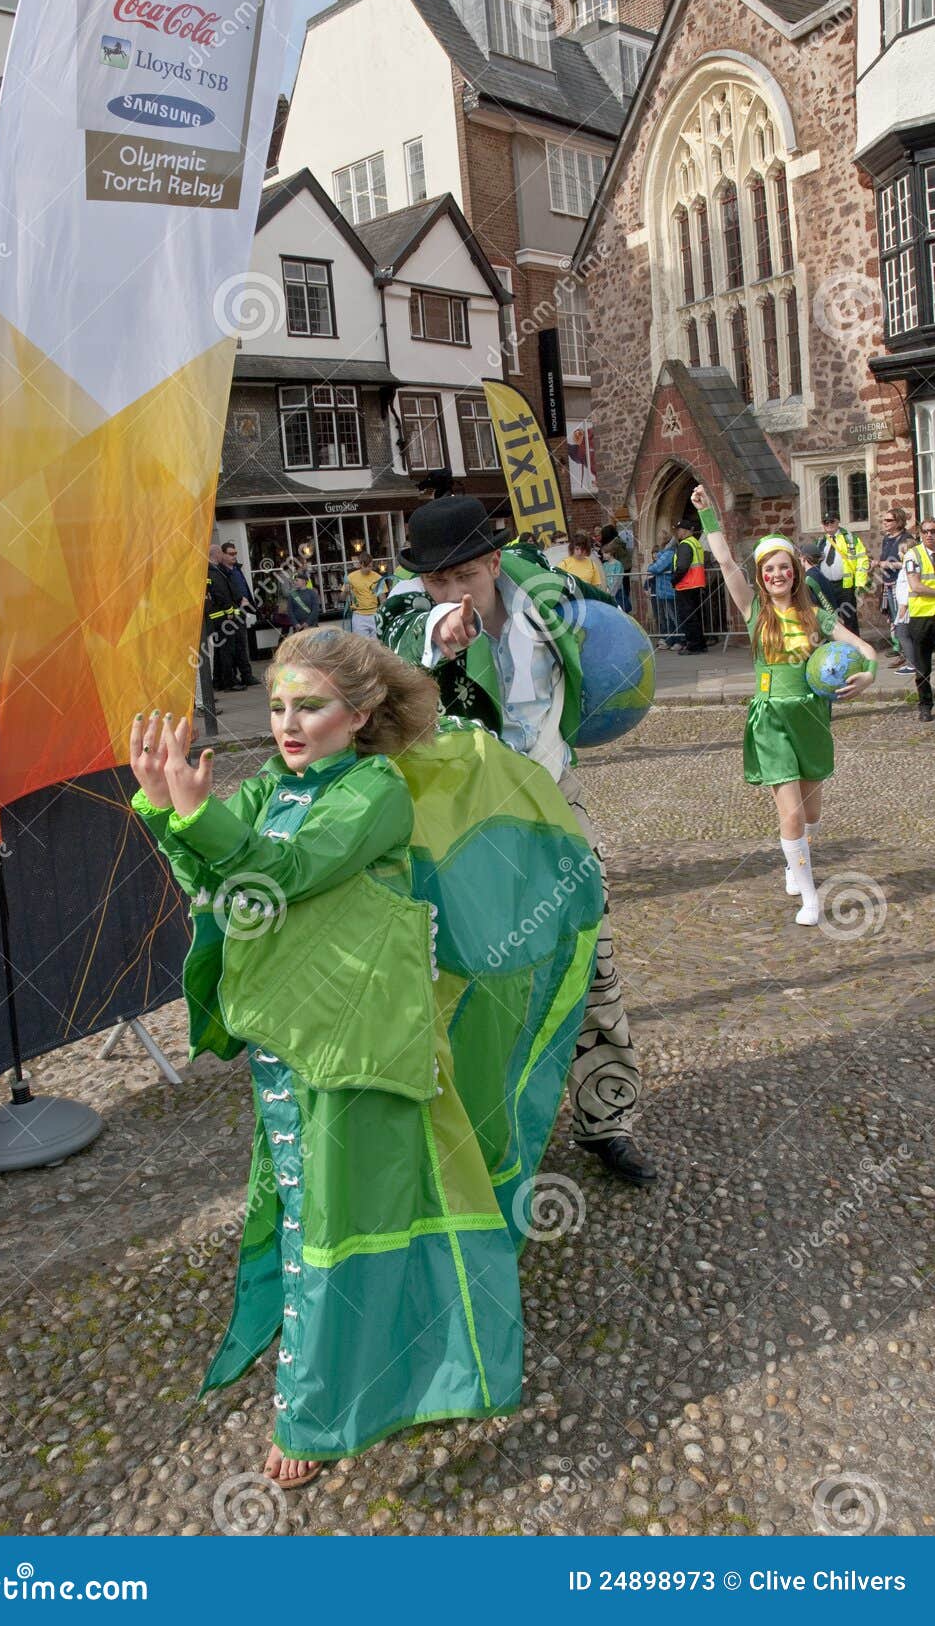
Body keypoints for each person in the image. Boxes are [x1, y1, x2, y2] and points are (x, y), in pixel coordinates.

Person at [129, 629, 605, 1486]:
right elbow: (222, 886)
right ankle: (371, 1372)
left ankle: (314, 1419)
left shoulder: (375, 791)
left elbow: (285, 869)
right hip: (291, 1042)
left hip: (358, 1043)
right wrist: (166, 808)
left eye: (308, 706)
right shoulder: (279, 786)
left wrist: (200, 817)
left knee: (338, 1231)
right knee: (328, 1219)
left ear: (359, 713)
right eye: (277, 705)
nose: (287, 722)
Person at [379, 494, 658, 1186]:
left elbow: (596, 627)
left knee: (591, 959)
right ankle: (487, 1136)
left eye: (461, 577)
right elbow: (398, 642)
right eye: (434, 580)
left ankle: (607, 1119)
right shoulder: (408, 613)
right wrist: (442, 629)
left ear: (493, 561)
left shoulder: (547, 592)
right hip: (463, 823)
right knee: (480, 978)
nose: (447, 590)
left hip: (555, 807)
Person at [696, 486, 878, 923]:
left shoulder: (817, 616)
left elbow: (865, 650)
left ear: (795, 573)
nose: (777, 575)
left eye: (784, 568)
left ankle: (794, 862)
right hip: (771, 717)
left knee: (812, 814)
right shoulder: (754, 609)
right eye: (769, 569)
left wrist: (869, 676)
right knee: (792, 815)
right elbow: (723, 561)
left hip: (812, 716)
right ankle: (811, 897)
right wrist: (707, 516)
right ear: (760, 576)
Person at [903, 518, 935, 723]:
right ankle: (925, 705)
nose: (930, 535)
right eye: (926, 532)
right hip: (921, 617)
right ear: (920, 534)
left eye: (933, 531)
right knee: (923, 666)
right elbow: (916, 586)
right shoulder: (913, 554)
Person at [818, 510, 870, 636]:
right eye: (825, 522)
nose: (828, 524)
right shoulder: (821, 541)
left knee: (849, 618)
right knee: (830, 618)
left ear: (837, 521)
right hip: (827, 586)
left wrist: (860, 584)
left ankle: (854, 647)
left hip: (845, 585)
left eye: (831, 521)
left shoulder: (850, 538)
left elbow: (862, 561)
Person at [218, 541, 260, 685]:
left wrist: (249, 603)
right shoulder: (221, 571)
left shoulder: (236, 569)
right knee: (232, 647)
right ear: (222, 555)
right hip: (231, 613)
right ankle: (232, 677)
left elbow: (243, 587)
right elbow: (224, 593)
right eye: (231, 554)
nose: (234, 556)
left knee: (242, 645)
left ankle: (246, 675)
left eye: (235, 553)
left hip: (242, 610)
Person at [205, 545, 242, 694]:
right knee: (226, 650)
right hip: (222, 617)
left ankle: (219, 681)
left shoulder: (214, 570)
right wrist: (230, 611)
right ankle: (228, 682)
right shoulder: (213, 571)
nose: (222, 555)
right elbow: (220, 593)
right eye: (221, 552)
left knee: (219, 652)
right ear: (216, 554)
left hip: (217, 617)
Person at [878, 506, 914, 656]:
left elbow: (908, 562)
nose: (884, 523)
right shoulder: (887, 538)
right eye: (884, 520)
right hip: (888, 583)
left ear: (898, 522)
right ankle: (897, 647)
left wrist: (888, 564)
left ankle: (907, 652)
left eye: (888, 520)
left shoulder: (907, 539)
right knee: (893, 617)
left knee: (902, 618)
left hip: (902, 583)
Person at [671, 518, 708, 653]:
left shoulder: (685, 545)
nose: (677, 533)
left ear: (685, 531)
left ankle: (693, 646)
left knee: (688, 618)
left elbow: (682, 567)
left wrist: (673, 580)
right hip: (696, 584)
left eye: (679, 530)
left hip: (686, 585)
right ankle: (700, 644)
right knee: (695, 617)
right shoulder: (695, 543)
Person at [644, 534, 682, 649]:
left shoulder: (668, 554)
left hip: (668, 591)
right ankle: (671, 640)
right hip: (665, 592)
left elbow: (655, 568)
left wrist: (652, 568)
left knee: (673, 617)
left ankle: (679, 641)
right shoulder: (666, 554)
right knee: (669, 618)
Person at [340, 553, 382, 639]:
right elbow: (342, 598)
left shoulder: (377, 577)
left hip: (375, 614)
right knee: (362, 645)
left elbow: (383, 598)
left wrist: (383, 614)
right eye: (366, 567)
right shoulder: (351, 577)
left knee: (378, 645)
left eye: (370, 566)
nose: (369, 569)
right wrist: (345, 592)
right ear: (360, 564)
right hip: (359, 615)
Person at [800, 542, 838, 614]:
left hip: (822, 618)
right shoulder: (821, 574)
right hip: (832, 615)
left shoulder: (809, 578)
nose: (799, 559)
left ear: (804, 558)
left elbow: (811, 603)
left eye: (800, 556)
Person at [601, 540, 625, 605]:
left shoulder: (618, 564)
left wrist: (611, 591)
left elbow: (617, 579)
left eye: (605, 553)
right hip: (606, 591)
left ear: (611, 553)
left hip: (617, 592)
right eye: (603, 553)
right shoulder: (604, 565)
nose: (603, 555)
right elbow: (602, 577)